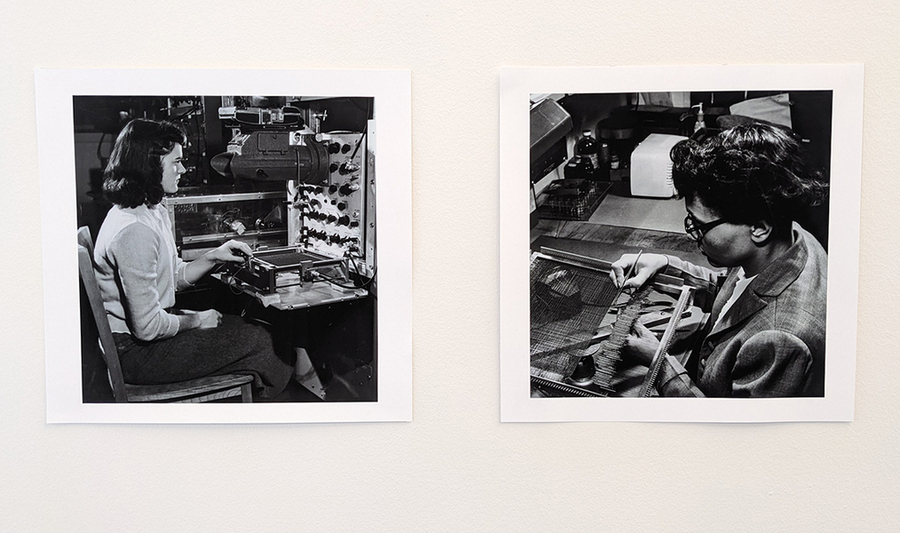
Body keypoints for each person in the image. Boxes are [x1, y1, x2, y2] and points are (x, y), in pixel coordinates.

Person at [609, 123, 828, 397]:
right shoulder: (792, 236)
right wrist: (664, 265)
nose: (693, 234)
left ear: (759, 228)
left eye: (701, 226)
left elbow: (731, 435)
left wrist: (659, 363)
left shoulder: (779, 339)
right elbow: (739, 292)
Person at [92, 118, 293, 400]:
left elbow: (170, 278)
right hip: (137, 354)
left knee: (257, 328)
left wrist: (213, 256)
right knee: (263, 341)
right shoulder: (134, 230)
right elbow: (148, 329)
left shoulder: (149, 209)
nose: (183, 170)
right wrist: (197, 321)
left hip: (147, 338)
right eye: (175, 162)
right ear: (149, 165)